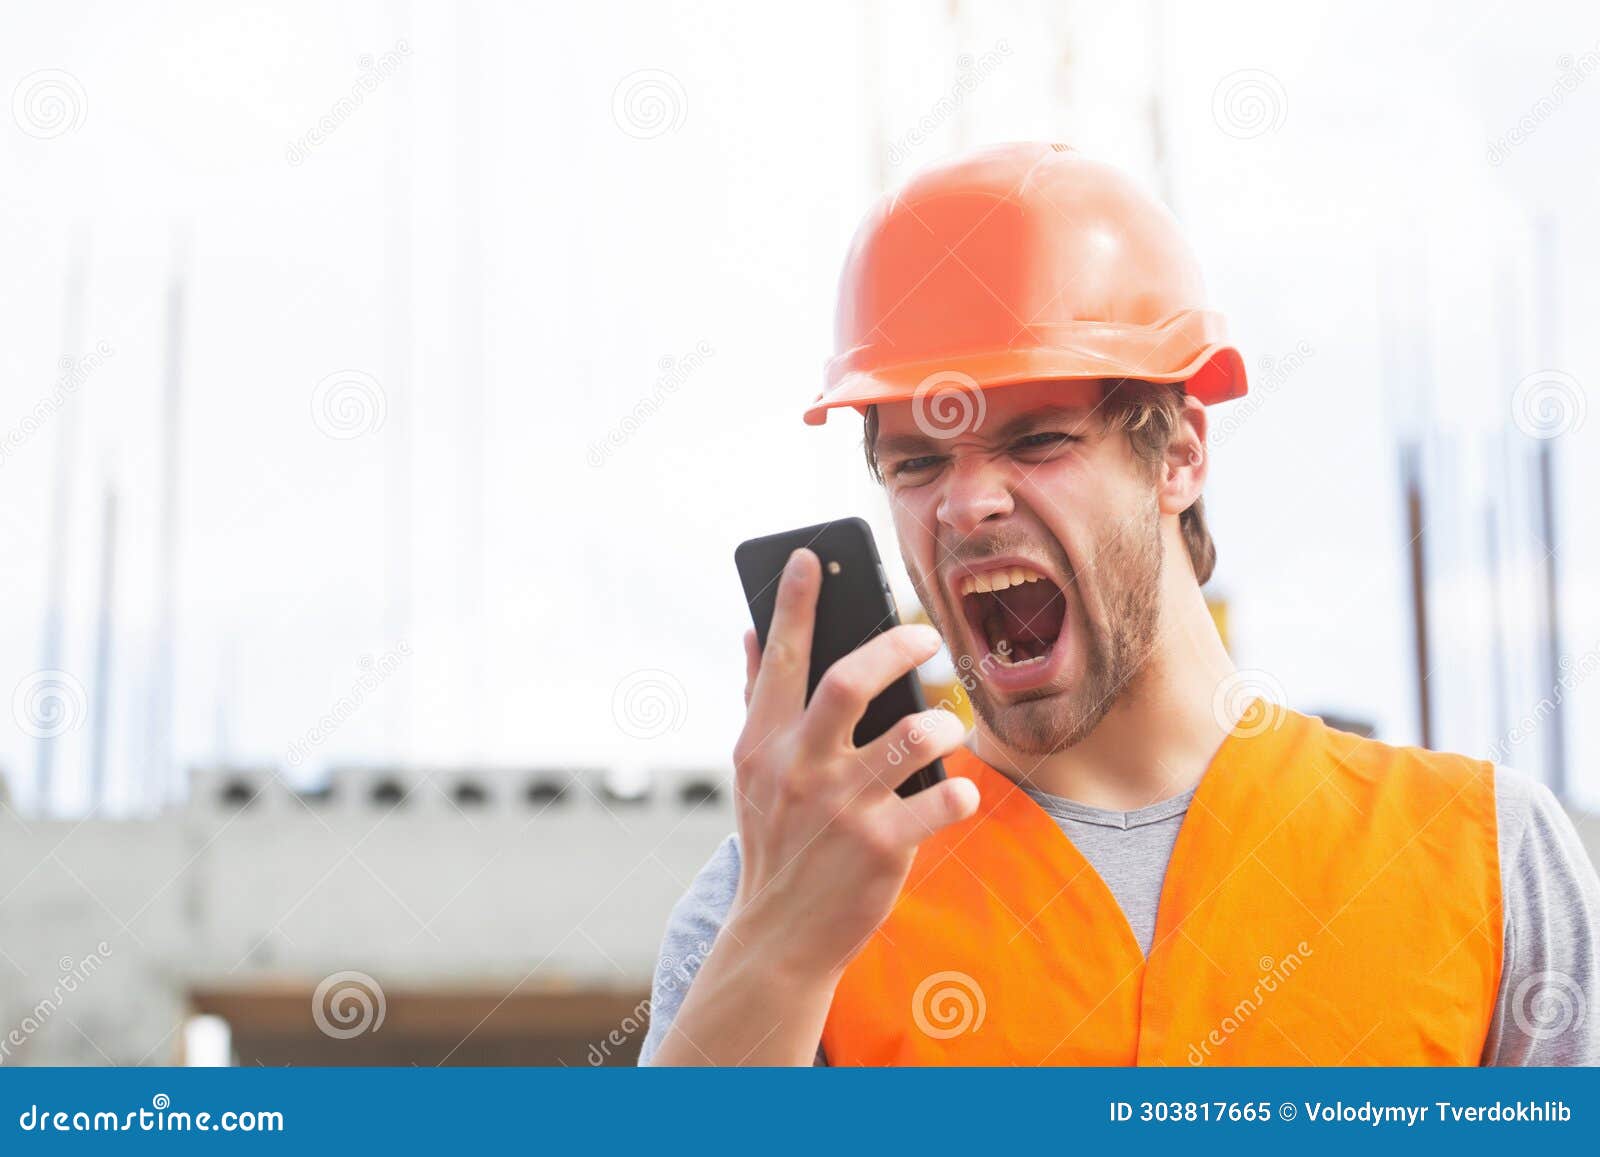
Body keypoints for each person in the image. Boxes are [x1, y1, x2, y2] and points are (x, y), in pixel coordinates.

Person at [642, 143, 1600, 1066]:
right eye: (920, 462)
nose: (967, 503)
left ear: (1180, 453)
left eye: (1039, 440)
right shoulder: (788, 891)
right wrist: (781, 947)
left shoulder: (1483, 855)